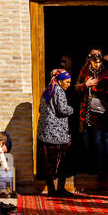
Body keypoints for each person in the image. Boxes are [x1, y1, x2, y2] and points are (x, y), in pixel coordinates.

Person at [76, 48, 108, 182]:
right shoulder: (85, 71)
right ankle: (91, 168)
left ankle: (102, 173)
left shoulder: (106, 73)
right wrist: (86, 84)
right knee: (87, 143)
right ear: (91, 62)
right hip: (86, 113)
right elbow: (76, 87)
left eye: (99, 63)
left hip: (100, 114)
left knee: (100, 143)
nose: (98, 65)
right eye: (95, 63)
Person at [37, 68, 74, 197]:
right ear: (60, 81)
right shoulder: (59, 91)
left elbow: (40, 109)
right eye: (67, 82)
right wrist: (72, 109)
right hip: (57, 134)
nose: (69, 85)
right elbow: (62, 110)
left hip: (45, 133)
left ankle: (51, 190)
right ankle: (60, 189)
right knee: (62, 161)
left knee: (47, 163)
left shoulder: (47, 90)